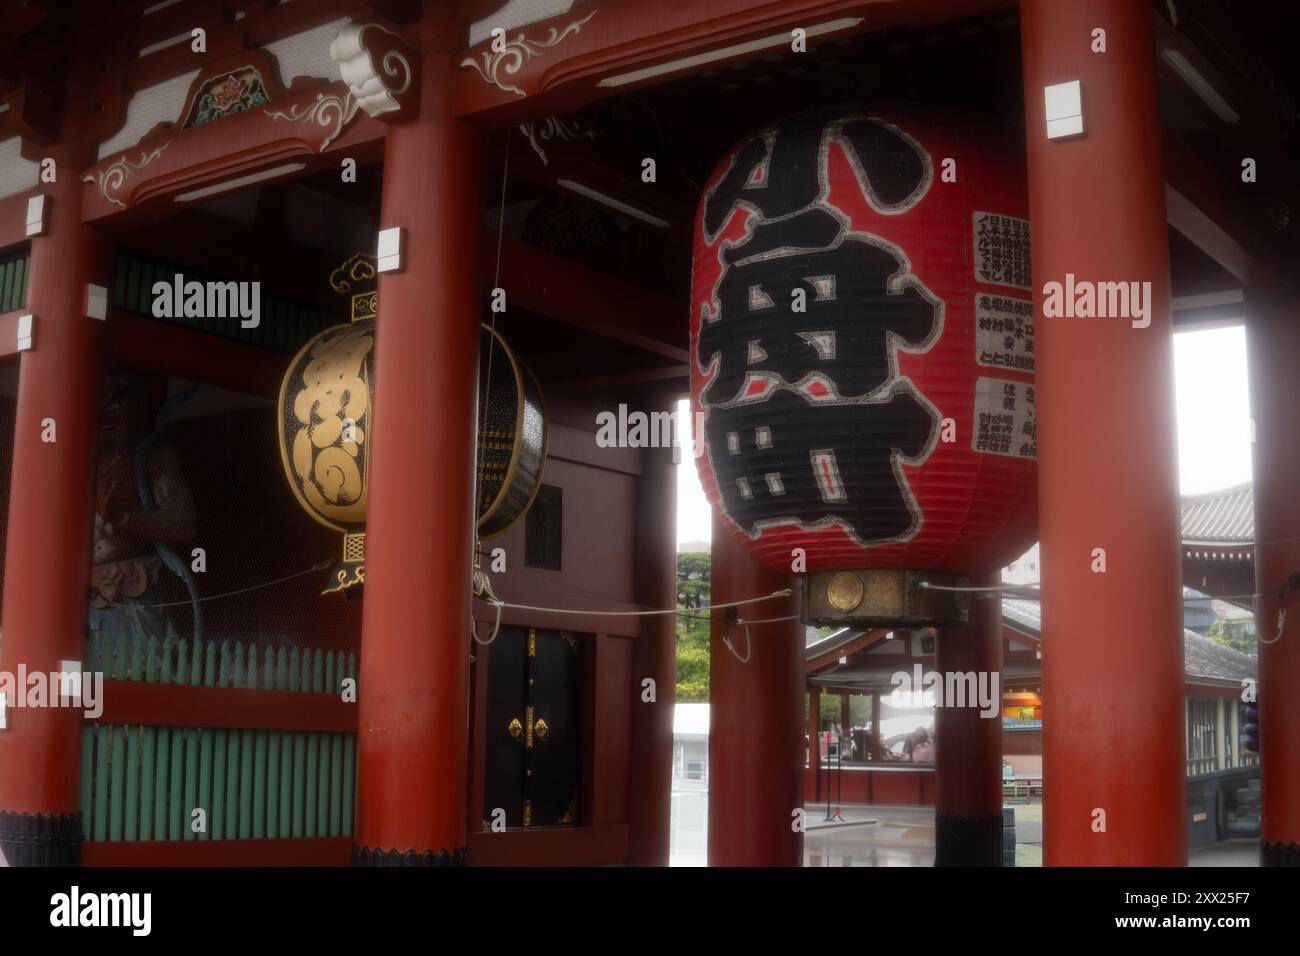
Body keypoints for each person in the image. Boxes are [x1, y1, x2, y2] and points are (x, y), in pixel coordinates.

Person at [89, 369, 197, 667]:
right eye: (98, 409)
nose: (105, 418)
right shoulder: (80, 459)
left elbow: (184, 521)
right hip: (87, 592)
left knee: (142, 669)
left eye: (114, 407)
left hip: (134, 588)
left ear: (138, 409)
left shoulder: (153, 458)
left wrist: (123, 517)